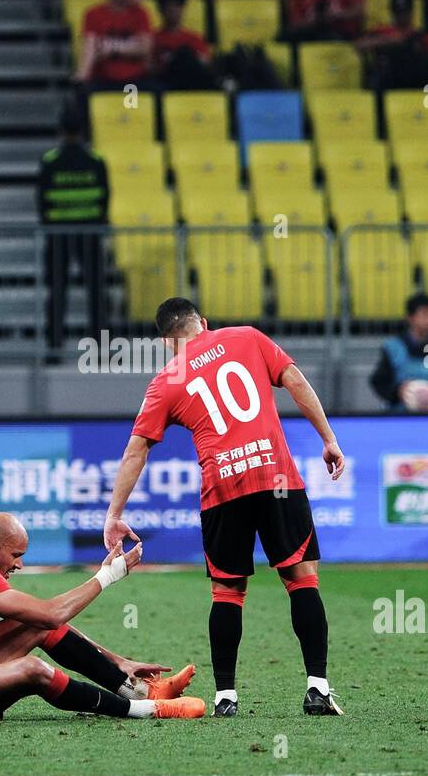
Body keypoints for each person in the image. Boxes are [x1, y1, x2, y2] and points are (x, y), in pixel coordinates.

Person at [102, 298, 347, 718]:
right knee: (302, 580)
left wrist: (114, 514)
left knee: (227, 592)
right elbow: (295, 380)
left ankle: (225, 697)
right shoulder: (248, 338)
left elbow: (136, 449)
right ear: (204, 323)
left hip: (223, 488)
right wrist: (328, 438)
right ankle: (318, 689)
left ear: (166, 342)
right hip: (276, 479)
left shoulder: (165, 381)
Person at [0, 512, 204, 722]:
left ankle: (140, 691)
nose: (19, 565)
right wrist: (107, 576)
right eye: (15, 556)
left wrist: (117, 661)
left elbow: (46, 623)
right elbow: (52, 613)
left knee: (32, 626)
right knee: (32, 670)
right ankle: (145, 710)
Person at [37, 105, 110, 361]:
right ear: (83, 130)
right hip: (90, 235)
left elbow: (42, 203)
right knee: (96, 294)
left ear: (60, 130)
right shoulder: (96, 161)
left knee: (57, 292)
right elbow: (104, 200)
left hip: (58, 237)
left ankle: (54, 349)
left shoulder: (50, 162)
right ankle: (100, 351)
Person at [369, 293, 428, 413]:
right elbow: (379, 382)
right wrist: (398, 393)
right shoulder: (392, 348)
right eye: (424, 314)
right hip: (399, 418)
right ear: (410, 318)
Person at [76, 0, 154, 89]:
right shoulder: (93, 14)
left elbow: (144, 48)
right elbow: (90, 47)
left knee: (136, 103)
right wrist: (131, 47)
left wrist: (111, 48)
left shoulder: (140, 13)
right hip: (103, 78)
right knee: (84, 92)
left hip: (133, 80)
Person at [356, 0, 428, 90]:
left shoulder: (423, 37)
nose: (402, 16)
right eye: (398, 12)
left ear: (411, 12)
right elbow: (359, 45)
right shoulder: (381, 31)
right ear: (392, 13)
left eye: (405, 12)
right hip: (389, 81)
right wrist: (388, 41)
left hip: (417, 82)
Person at [152, 0, 217, 89]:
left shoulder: (194, 38)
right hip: (167, 81)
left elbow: (205, 62)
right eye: (169, 6)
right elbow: (151, 68)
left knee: (185, 54)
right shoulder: (154, 38)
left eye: (177, 6)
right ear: (161, 10)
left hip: (192, 80)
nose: (173, 10)